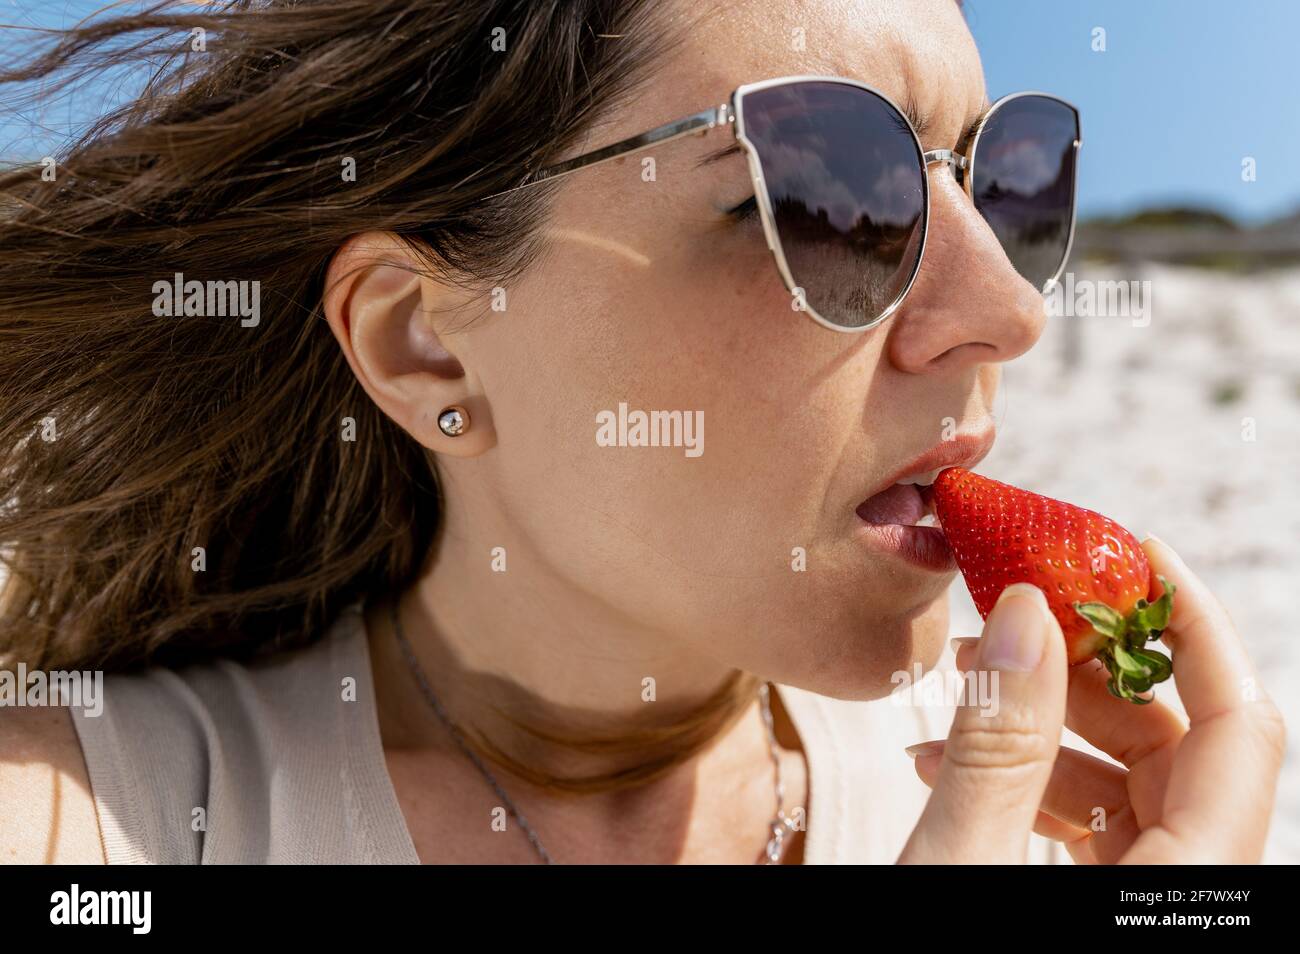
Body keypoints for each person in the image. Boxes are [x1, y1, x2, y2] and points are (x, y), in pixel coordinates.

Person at [0, 0, 1284, 864]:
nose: (1005, 309)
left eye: (1002, 184)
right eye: (831, 197)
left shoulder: (1067, 823)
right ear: (423, 341)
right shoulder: (87, 829)